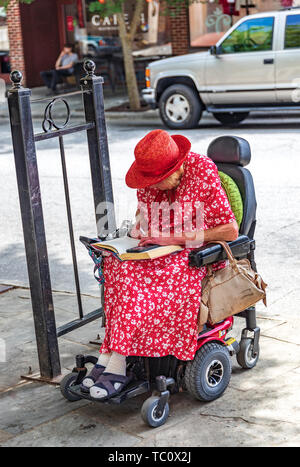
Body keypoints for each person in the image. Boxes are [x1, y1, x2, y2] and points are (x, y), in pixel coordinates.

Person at [81, 129, 239, 400]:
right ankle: (110, 354)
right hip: (159, 249)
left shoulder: (202, 171)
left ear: (176, 170)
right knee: (116, 265)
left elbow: (230, 230)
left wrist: (171, 237)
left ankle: (117, 361)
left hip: (194, 254)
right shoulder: (148, 179)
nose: (151, 186)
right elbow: (143, 213)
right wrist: (139, 232)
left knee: (135, 280)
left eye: (157, 180)